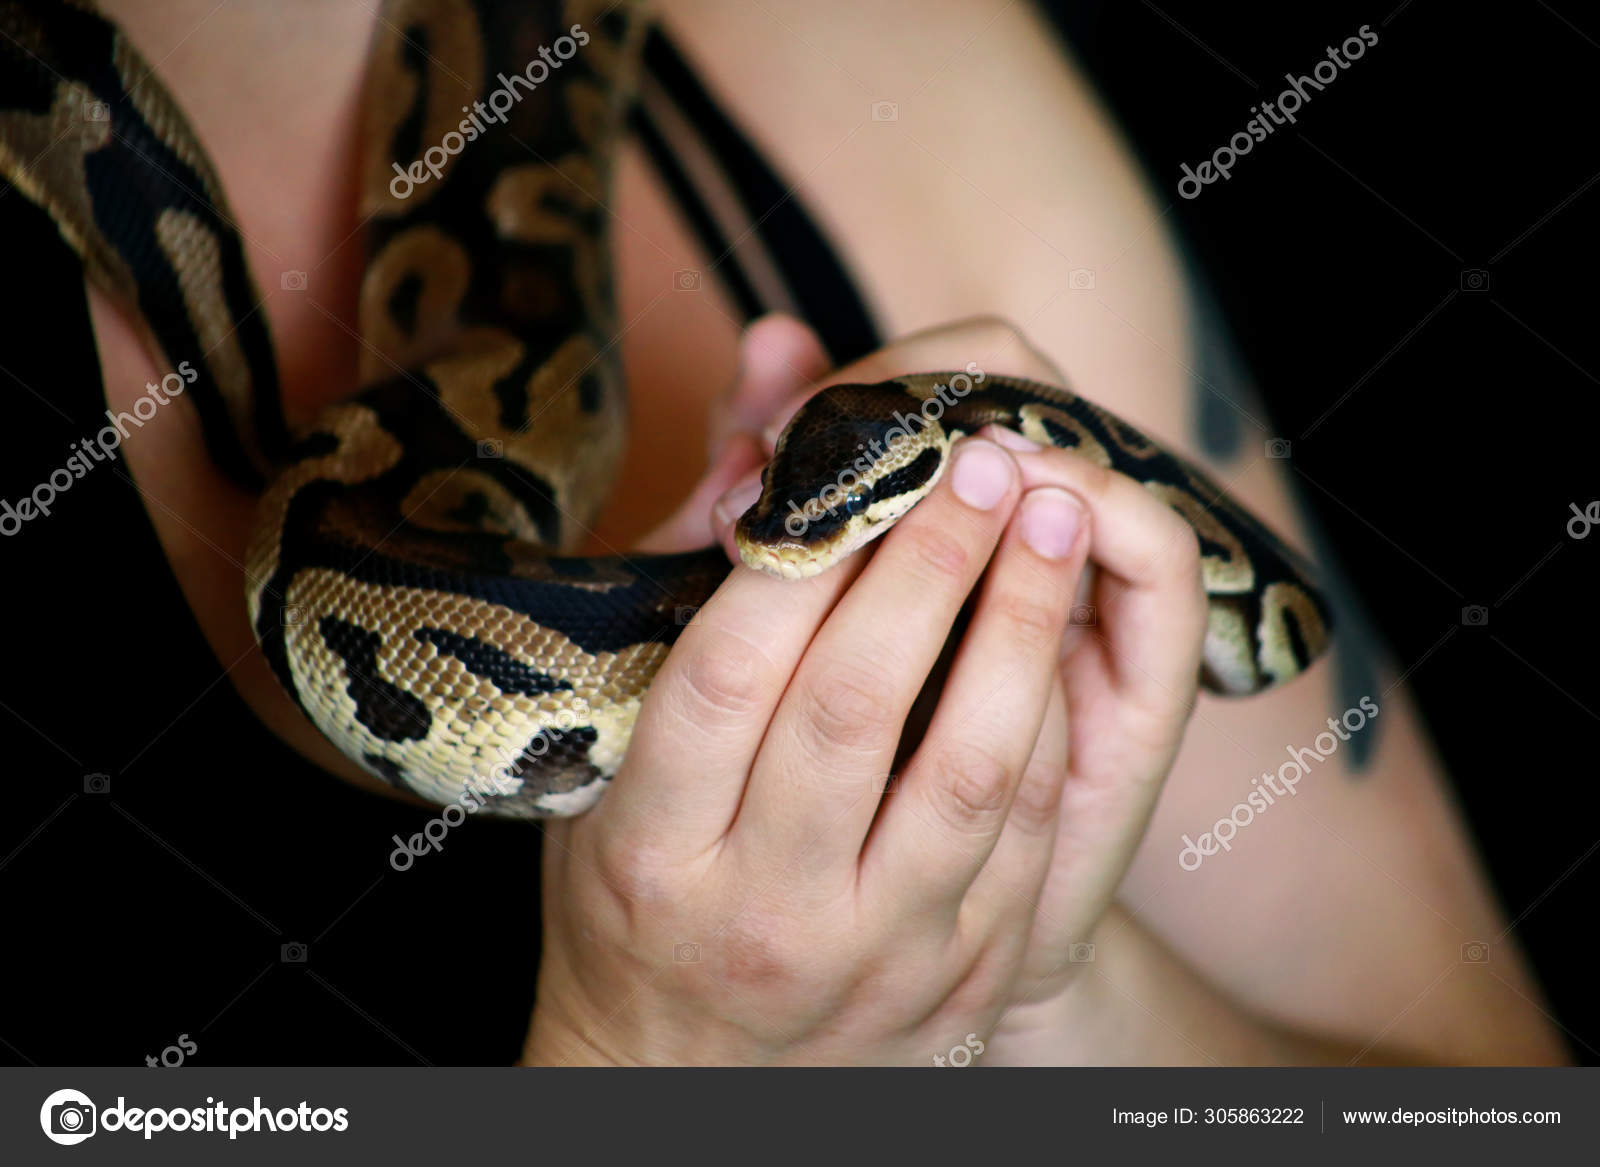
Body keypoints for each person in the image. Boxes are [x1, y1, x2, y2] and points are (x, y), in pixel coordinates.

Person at [66, 0, 1562, 1064]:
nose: (782, 537)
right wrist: (638, 1057)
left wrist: (1043, 981)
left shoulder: (895, 47)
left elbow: (1491, 1097)